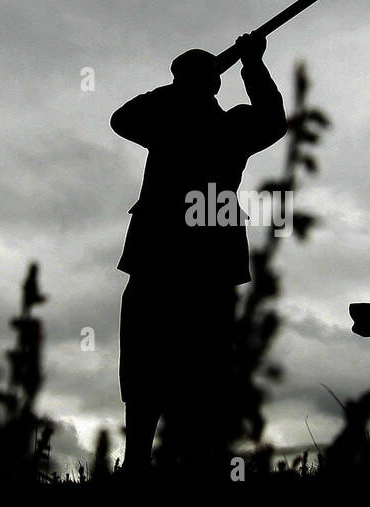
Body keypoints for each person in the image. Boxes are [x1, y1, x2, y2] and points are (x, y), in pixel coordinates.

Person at [112, 33, 287, 473]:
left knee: (162, 365)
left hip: (169, 260)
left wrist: (191, 83)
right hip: (195, 261)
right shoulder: (224, 126)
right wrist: (251, 65)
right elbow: (271, 119)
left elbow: (125, 117)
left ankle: (155, 464)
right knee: (189, 366)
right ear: (214, 84)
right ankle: (181, 464)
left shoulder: (170, 122)